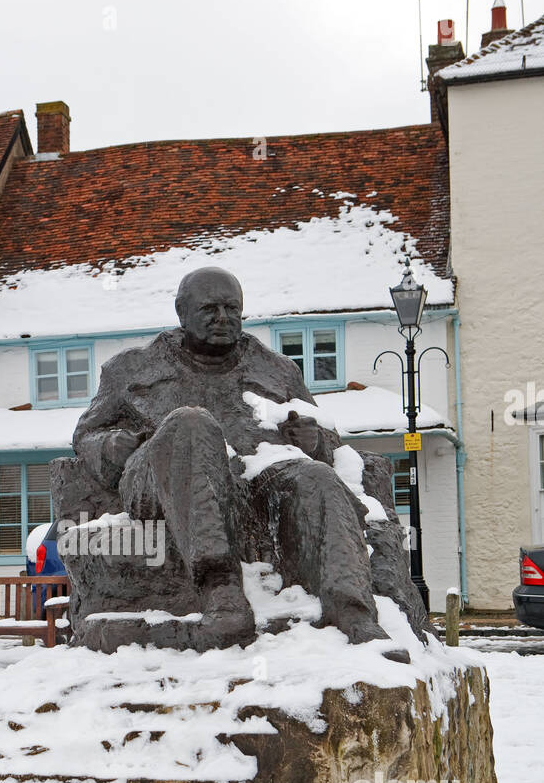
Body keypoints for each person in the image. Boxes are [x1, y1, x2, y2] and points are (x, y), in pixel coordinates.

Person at [60, 266, 426, 654]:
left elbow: (323, 432)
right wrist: (110, 445)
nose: (223, 318)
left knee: (314, 476)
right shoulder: (132, 369)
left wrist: (315, 440)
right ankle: (221, 591)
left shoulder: (276, 370)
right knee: (191, 421)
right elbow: (86, 434)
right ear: (182, 313)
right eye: (210, 309)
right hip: (163, 479)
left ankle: (352, 611)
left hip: (255, 479)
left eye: (232, 308)